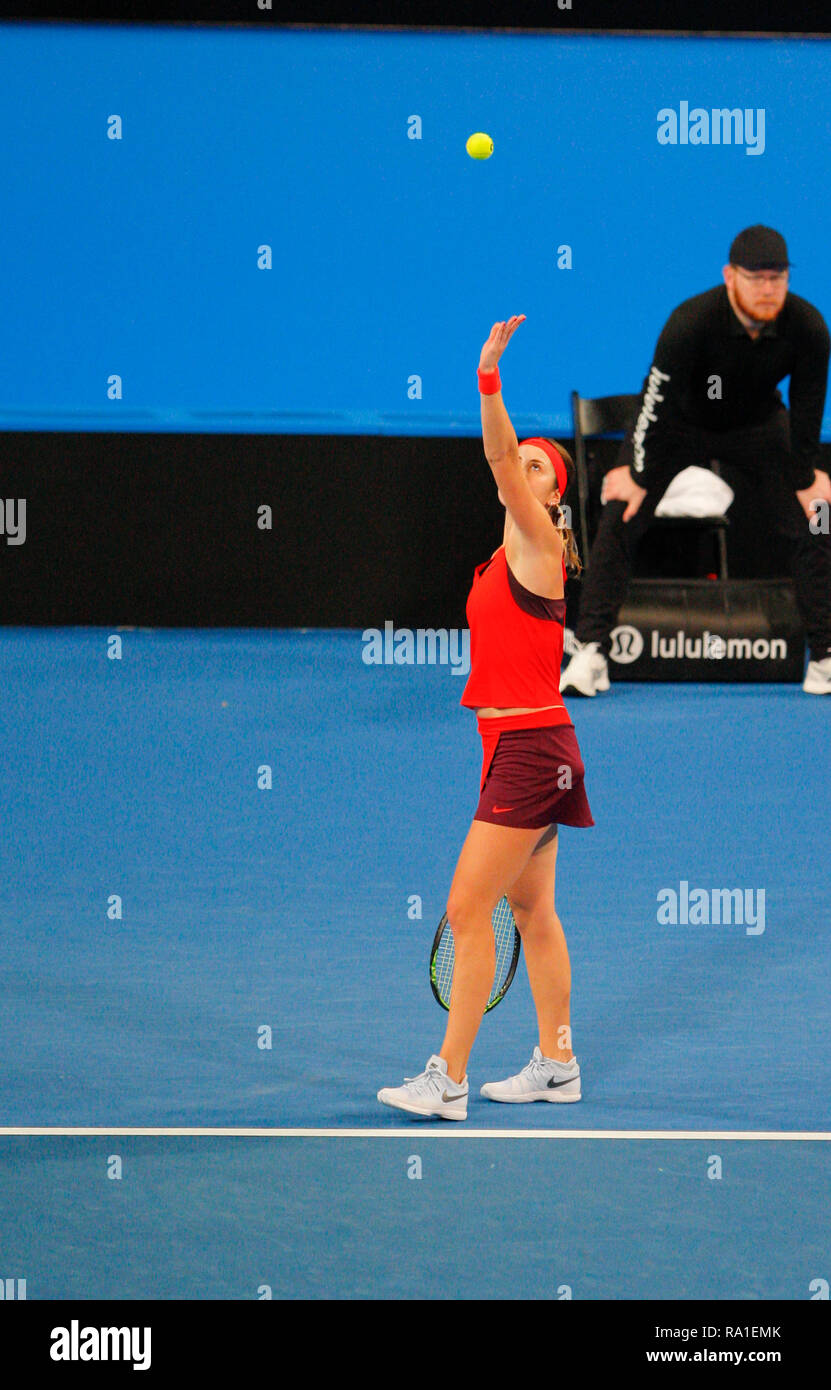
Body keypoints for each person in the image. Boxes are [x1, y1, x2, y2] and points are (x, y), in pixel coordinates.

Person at [378, 316, 594, 1121]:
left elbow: (498, 456)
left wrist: (489, 378)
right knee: (531, 910)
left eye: (539, 467)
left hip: (531, 747)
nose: (521, 467)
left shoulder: (538, 540)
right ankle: (557, 1062)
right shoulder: (508, 559)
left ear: (549, 495)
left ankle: (447, 1079)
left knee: (469, 912)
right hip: (527, 744)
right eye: (524, 460)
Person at [560, 225, 831, 697]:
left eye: (778, 278)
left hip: (758, 427)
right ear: (730, 276)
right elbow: (656, 397)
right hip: (678, 423)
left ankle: (826, 656)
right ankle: (590, 651)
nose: (768, 289)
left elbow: (808, 407)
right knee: (621, 512)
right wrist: (638, 470)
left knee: (817, 519)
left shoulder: (807, 327)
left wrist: (805, 476)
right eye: (756, 278)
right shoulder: (691, 321)